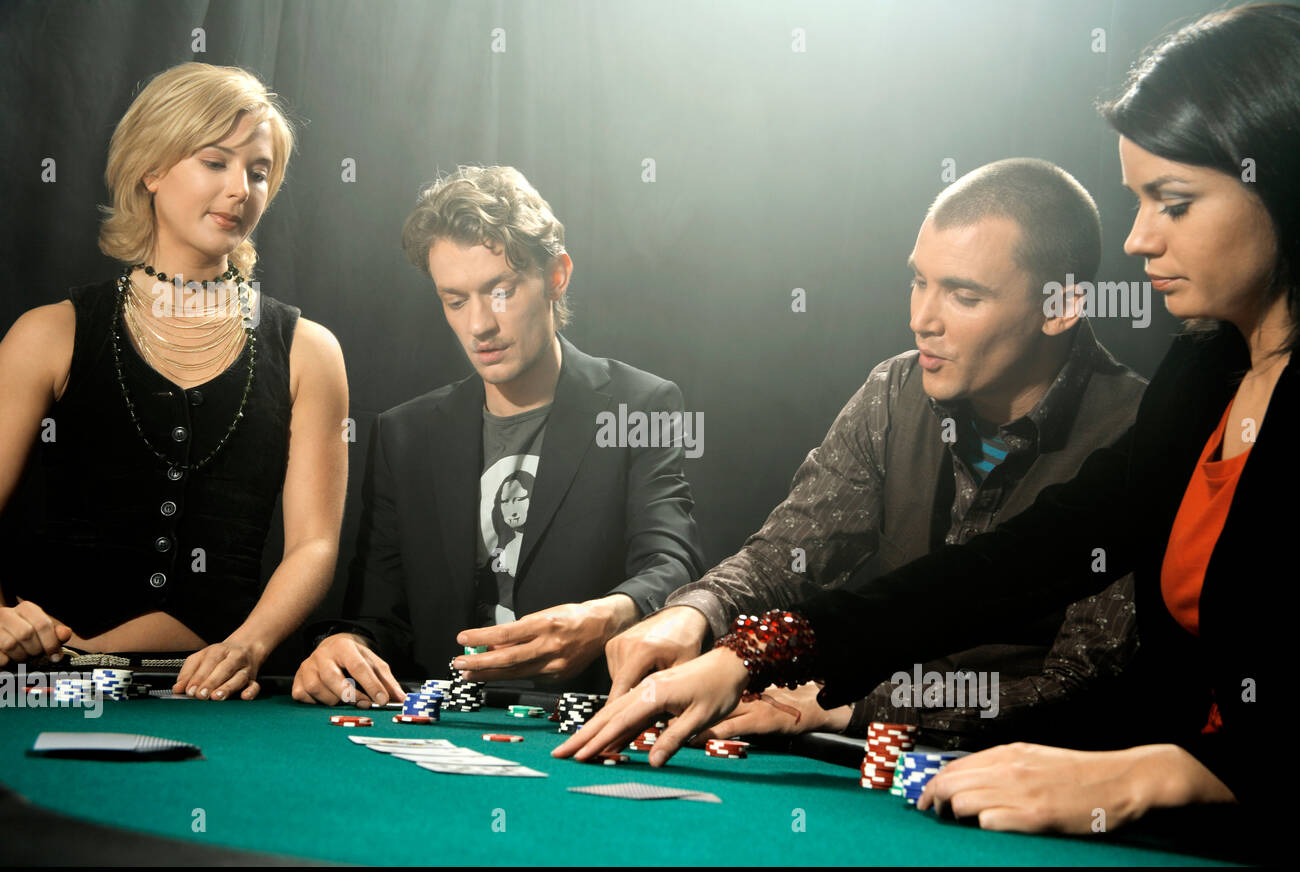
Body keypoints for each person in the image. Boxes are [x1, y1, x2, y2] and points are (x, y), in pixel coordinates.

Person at [556, 2, 1297, 835]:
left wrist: (1153, 772)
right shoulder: (1203, 375)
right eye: (1137, 201)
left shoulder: (1137, 399)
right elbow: (1020, 561)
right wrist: (748, 647)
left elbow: (1106, 683)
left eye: (1174, 201)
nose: (1136, 240)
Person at [602, 158, 1147, 752]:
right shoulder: (894, 391)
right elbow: (789, 556)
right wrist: (698, 613)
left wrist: (854, 705)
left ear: (1060, 307)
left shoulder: (1140, 430)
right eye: (919, 282)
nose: (921, 320)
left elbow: (1086, 686)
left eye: (964, 296)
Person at [292, 165, 705, 706]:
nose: (479, 325)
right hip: (438, 727)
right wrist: (342, 644)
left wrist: (607, 616)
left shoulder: (641, 406)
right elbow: (378, 616)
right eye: (455, 300)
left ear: (557, 276)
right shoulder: (405, 435)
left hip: (586, 726)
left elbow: (673, 565)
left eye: (501, 291)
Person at [0, 63, 349, 702]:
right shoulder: (47, 334)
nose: (241, 188)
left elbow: (315, 542)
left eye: (259, 170)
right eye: (215, 162)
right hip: (54, 685)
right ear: (152, 169)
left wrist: (251, 643)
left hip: (223, 695)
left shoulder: (309, 351)